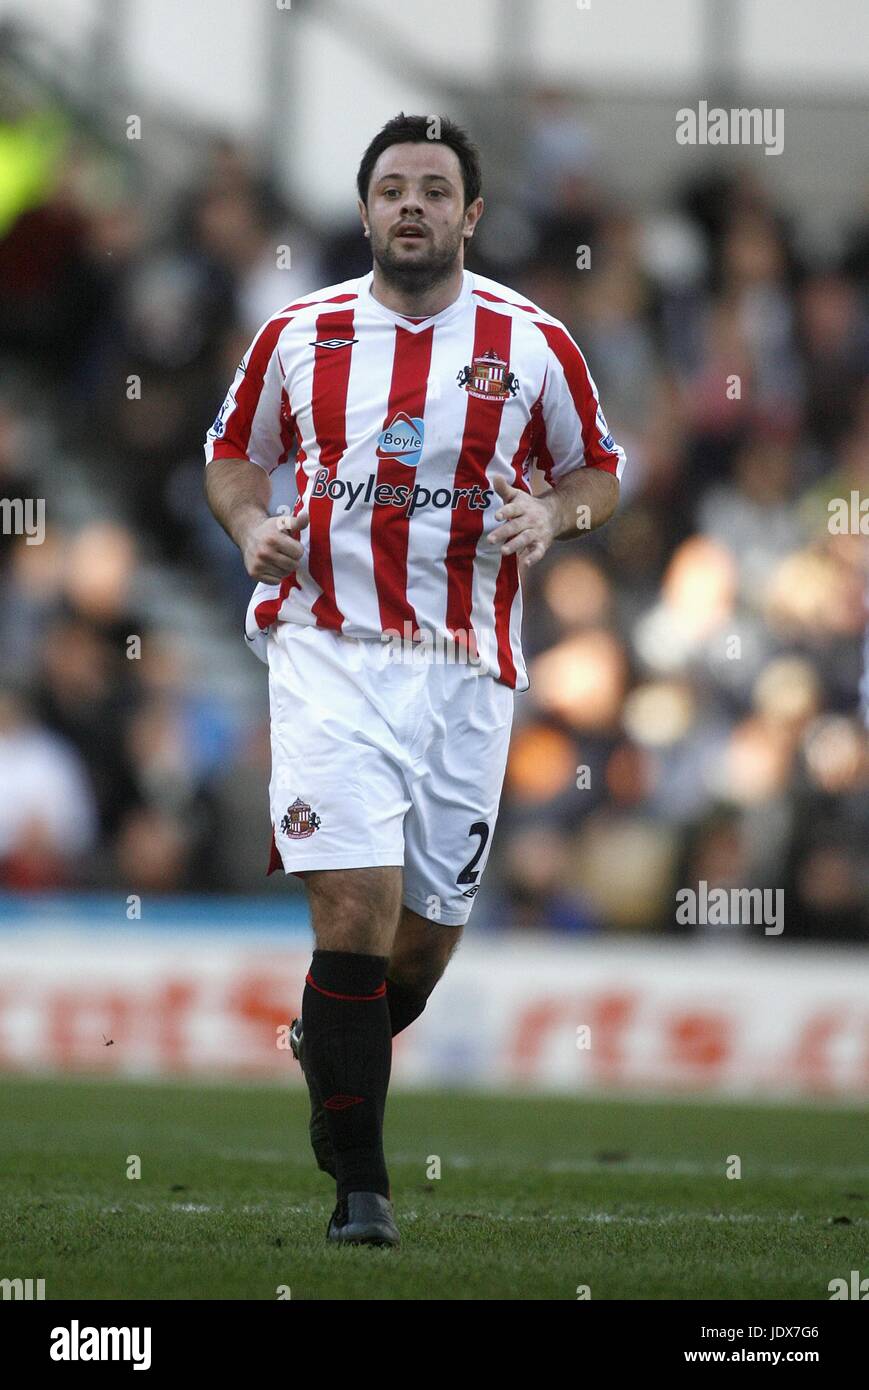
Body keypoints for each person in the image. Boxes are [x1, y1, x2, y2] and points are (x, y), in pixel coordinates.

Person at [203, 113, 625, 1247]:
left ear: (469, 215)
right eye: (391, 187)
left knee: (420, 946)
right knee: (353, 904)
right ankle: (363, 1193)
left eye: (433, 190)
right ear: (363, 208)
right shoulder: (295, 333)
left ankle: (329, 1044)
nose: (410, 206)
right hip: (326, 646)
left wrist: (553, 510)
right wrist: (250, 524)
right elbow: (231, 455)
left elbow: (599, 472)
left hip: (464, 672)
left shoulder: (532, 344)